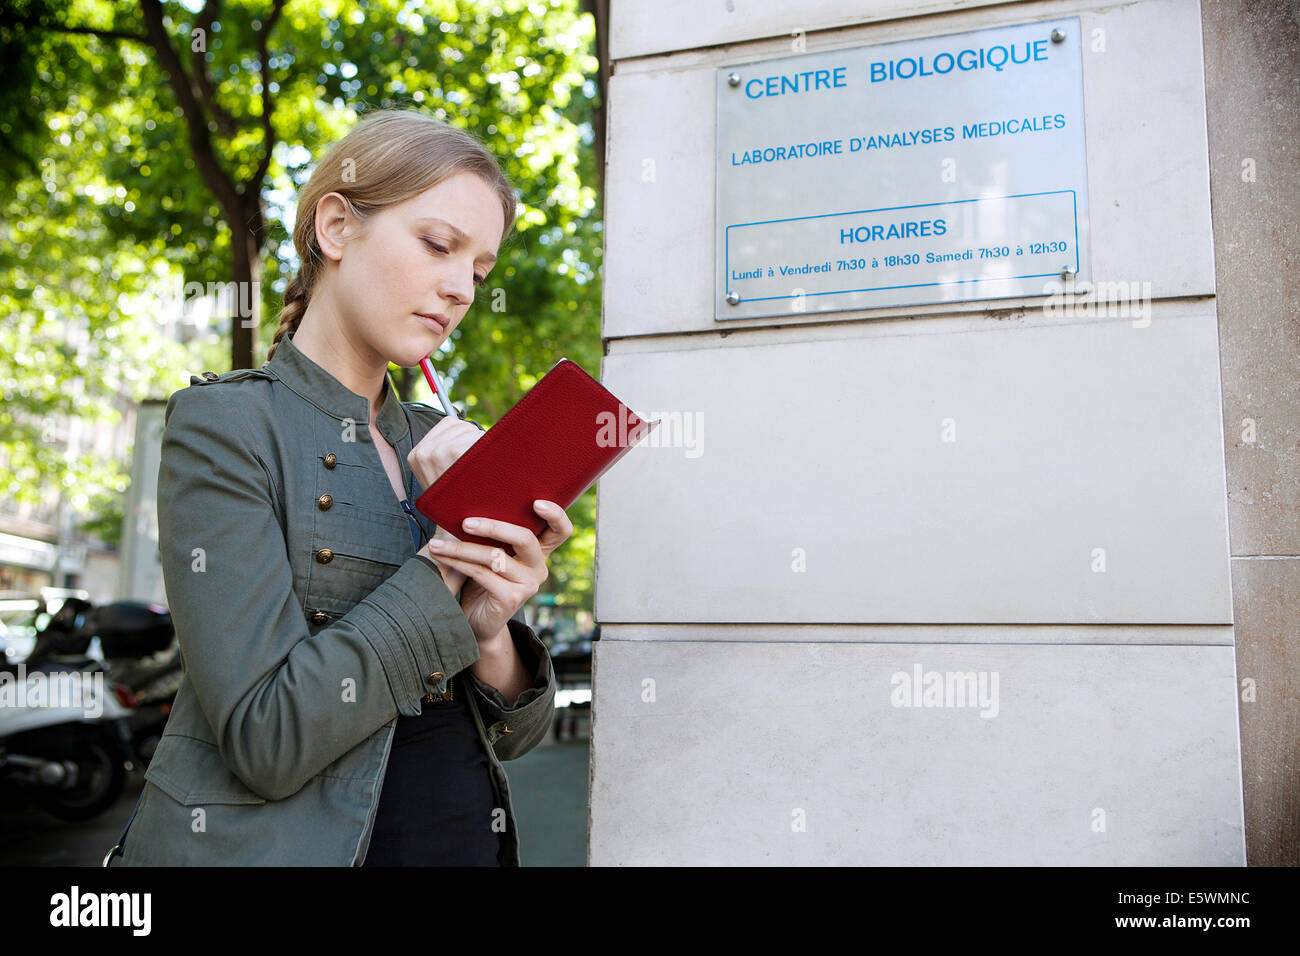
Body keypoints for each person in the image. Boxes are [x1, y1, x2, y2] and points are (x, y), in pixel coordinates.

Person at [109, 108, 572, 866]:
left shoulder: (437, 439)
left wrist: (491, 628)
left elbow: (517, 735)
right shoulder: (226, 423)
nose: (460, 290)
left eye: (479, 271)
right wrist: (446, 559)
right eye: (437, 245)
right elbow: (266, 737)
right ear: (336, 227)